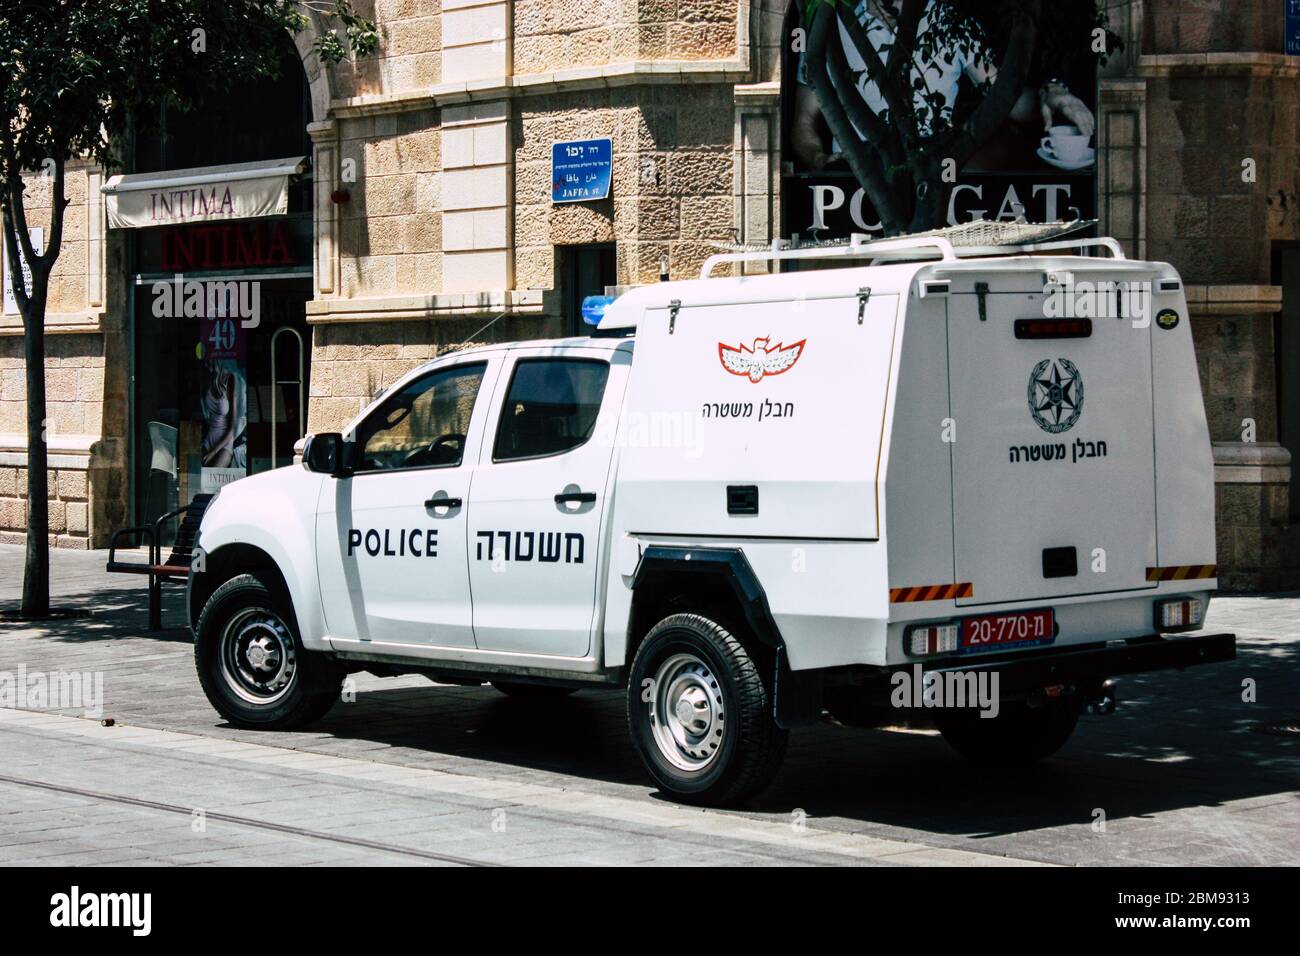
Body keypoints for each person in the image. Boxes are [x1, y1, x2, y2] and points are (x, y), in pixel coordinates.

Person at [791, 0, 1095, 172]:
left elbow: (1009, 102)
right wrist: (821, 161)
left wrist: (1053, 93)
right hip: (855, 189)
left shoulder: (947, 21)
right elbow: (803, 121)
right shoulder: (830, 27)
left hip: (933, 187)